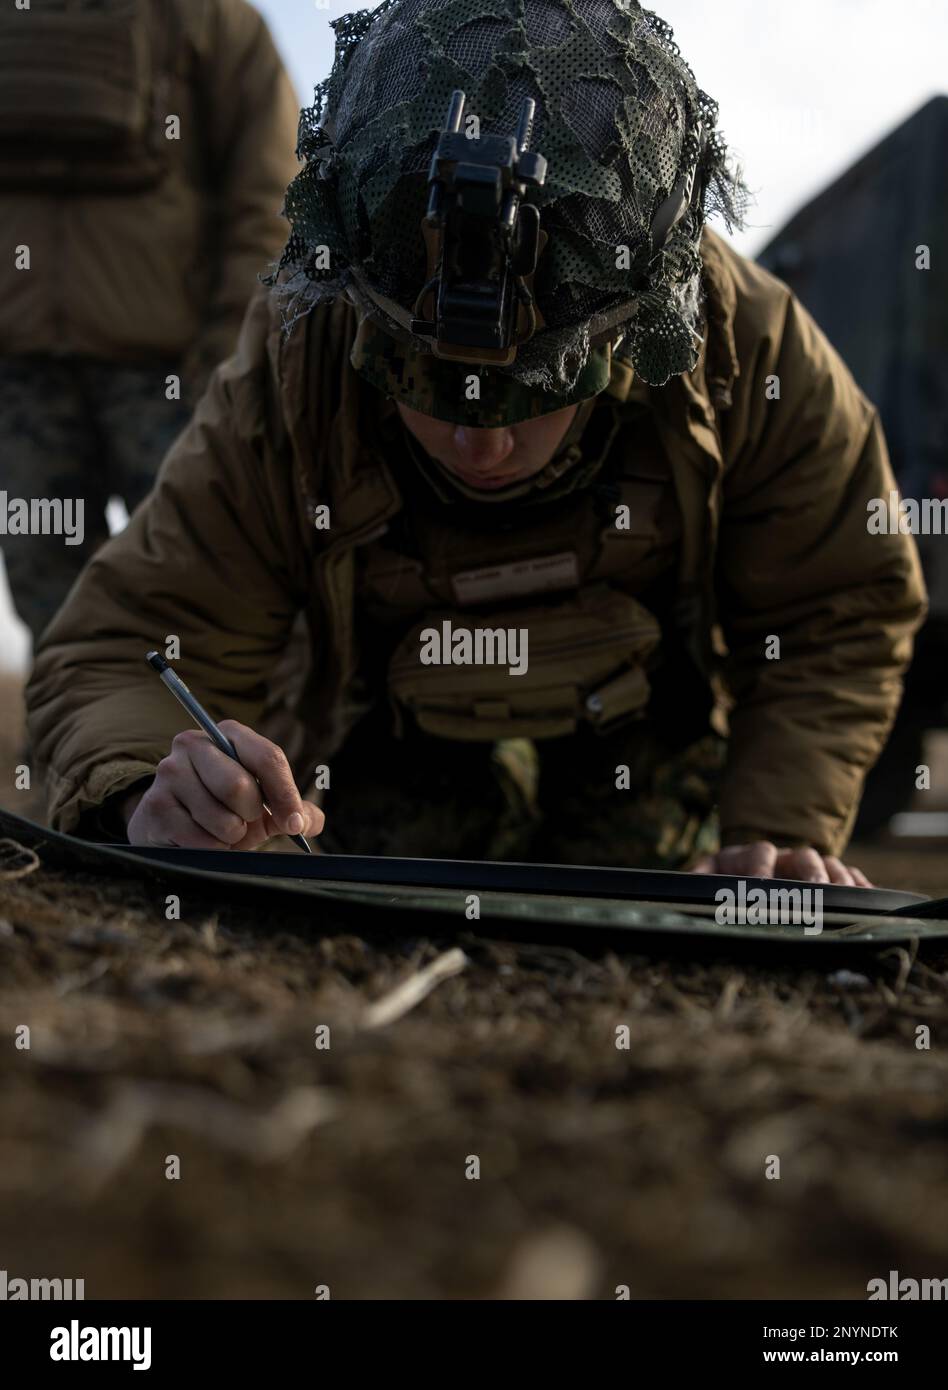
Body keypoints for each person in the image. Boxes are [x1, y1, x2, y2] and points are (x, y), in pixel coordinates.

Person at [26, 0, 927, 886]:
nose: (480, 442)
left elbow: (839, 607)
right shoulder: (304, 351)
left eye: (537, 388)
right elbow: (127, 643)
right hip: (377, 781)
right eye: (423, 377)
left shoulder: (743, 343)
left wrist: (776, 832)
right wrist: (152, 785)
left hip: (645, 773)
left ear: (638, 325)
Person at [0, 0, 298, 649]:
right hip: (20, 377)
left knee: (205, 595)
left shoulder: (214, 20)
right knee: (53, 611)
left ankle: (203, 745)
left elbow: (269, 197)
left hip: (173, 374)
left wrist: (230, 357)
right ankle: (74, 747)